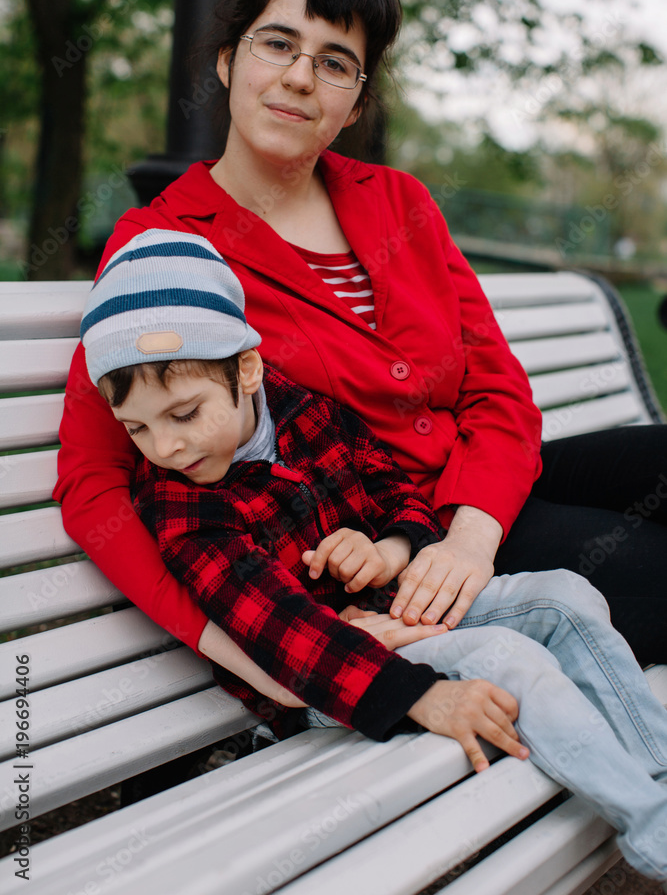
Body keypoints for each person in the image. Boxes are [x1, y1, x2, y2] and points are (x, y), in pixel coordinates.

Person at [54, 0, 667, 686]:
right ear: (226, 61)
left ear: (353, 104)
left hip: (477, 500)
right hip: (372, 539)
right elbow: (93, 481)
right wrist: (240, 651)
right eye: (277, 43)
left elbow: (497, 390)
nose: (299, 77)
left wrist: (472, 535)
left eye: (334, 61)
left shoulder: (397, 201)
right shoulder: (163, 248)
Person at [78, 228, 667, 882]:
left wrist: (387, 549)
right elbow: (277, 630)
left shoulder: (311, 416)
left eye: (185, 414)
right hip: (328, 679)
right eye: (137, 427)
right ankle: (653, 837)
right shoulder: (184, 510)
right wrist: (412, 694)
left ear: (245, 369)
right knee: (516, 661)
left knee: (566, 593)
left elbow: (397, 495)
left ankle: (657, 775)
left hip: (395, 614)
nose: (165, 447)